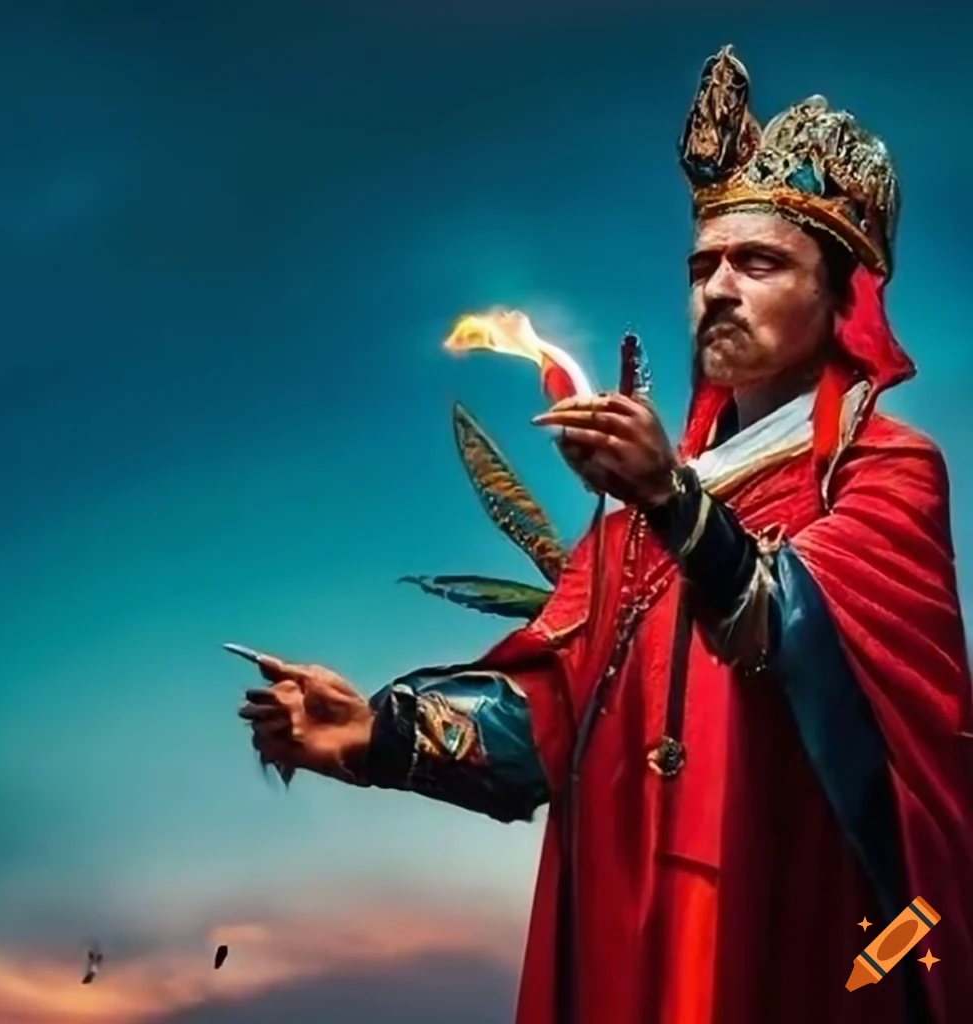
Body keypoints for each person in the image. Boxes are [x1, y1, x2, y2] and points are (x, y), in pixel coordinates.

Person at [236, 46, 973, 1024]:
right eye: (702, 266)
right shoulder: (633, 527)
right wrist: (375, 733)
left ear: (845, 299)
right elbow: (548, 715)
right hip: (630, 931)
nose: (717, 289)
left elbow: (791, 632)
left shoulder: (882, 469)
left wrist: (669, 498)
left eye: (758, 263)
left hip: (788, 932)